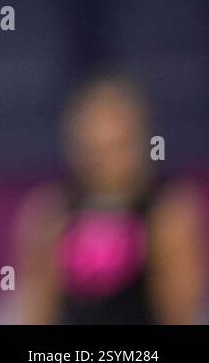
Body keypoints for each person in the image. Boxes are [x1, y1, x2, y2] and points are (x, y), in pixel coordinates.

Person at [15, 72, 205, 324]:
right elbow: (35, 307)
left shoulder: (167, 211)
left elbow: (181, 312)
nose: (104, 162)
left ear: (139, 142)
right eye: (93, 150)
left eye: (116, 147)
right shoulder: (52, 211)